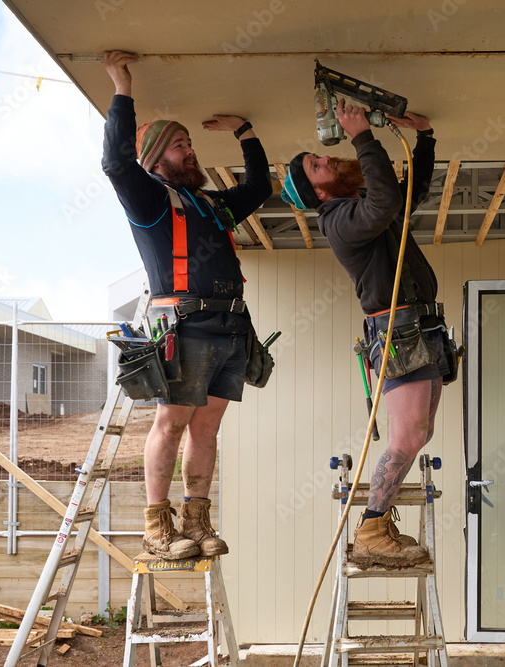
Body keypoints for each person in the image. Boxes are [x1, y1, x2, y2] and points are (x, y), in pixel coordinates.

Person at [101, 50, 273, 560]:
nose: (190, 151)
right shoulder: (150, 200)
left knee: (207, 426)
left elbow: (259, 186)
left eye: (191, 143)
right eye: (179, 146)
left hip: (230, 326)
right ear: (155, 161)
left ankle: (197, 520)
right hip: (184, 325)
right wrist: (121, 87)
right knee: (171, 423)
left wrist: (246, 132)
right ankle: (158, 527)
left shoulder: (211, 203)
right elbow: (115, 161)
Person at [281, 99, 445, 568]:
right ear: (316, 191)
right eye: (317, 165)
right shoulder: (340, 222)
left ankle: (379, 522)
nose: (326, 158)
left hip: (416, 329)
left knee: (420, 432)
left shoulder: (358, 209)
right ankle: (372, 528)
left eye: (320, 156)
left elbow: (406, 194)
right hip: (399, 332)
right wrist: (360, 135)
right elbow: (387, 200)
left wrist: (426, 137)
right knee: (408, 433)